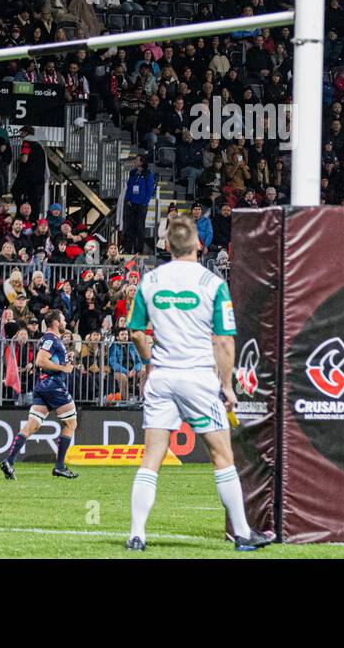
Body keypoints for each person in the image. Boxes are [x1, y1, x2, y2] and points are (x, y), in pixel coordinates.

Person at [122, 215, 272, 552]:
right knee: (221, 455)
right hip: (198, 378)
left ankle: (137, 533)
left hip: (162, 377)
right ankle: (244, 533)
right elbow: (223, 341)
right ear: (198, 245)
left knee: (152, 456)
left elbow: (135, 332)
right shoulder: (212, 284)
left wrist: (149, 363)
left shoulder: (150, 281)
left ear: (166, 246)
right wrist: (228, 387)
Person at [0, 311, 80, 480]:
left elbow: (51, 360)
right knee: (70, 424)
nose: (66, 321)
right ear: (57, 322)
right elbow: (40, 361)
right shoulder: (50, 338)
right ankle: (59, 466)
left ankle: (9, 461)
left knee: (32, 425)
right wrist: (64, 368)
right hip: (53, 385)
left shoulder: (50, 339)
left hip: (43, 385)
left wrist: (66, 359)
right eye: (63, 319)